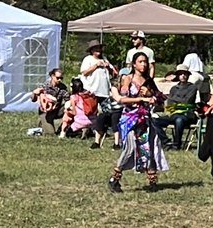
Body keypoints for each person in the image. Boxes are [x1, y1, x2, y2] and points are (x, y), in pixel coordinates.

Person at [109, 56, 167, 191]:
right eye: (140, 62)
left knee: (148, 148)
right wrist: (141, 97)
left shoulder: (149, 81)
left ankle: (152, 181)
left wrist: (150, 94)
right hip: (129, 119)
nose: (144, 64)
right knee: (129, 149)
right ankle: (114, 178)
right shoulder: (127, 78)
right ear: (134, 64)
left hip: (144, 120)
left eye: (145, 62)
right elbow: (121, 98)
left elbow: (160, 99)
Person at [77, 39, 118, 147]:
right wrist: (96, 66)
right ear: (91, 50)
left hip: (104, 91)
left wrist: (109, 67)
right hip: (92, 91)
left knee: (107, 113)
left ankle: (105, 131)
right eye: (95, 49)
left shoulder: (104, 59)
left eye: (99, 48)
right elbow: (84, 72)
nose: (98, 50)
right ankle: (88, 132)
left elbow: (114, 73)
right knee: (91, 113)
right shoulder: (88, 59)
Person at [155, 67, 203, 148]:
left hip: (187, 115)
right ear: (178, 76)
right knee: (153, 121)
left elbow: (187, 101)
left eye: (185, 74)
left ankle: (177, 144)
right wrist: (175, 102)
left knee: (179, 120)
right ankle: (166, 141)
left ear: (188, 75)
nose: (183, 76)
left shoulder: (192, 87)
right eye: (181, 74)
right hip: (173, 114)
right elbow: (170, 105)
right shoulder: (174, 88)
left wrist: (173, 99)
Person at [30, 68, 70, 136]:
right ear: (52, 76)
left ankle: (63, 129)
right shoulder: (45, 86)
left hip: (57, 110)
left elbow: (68, 99)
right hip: (46, 112)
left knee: (70, 109)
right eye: (58, 78)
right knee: (50, 133)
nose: (59, 80)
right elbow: (33, 99)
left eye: (61, 78)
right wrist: (34, 93)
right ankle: (42, 123)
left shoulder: (62, 87)